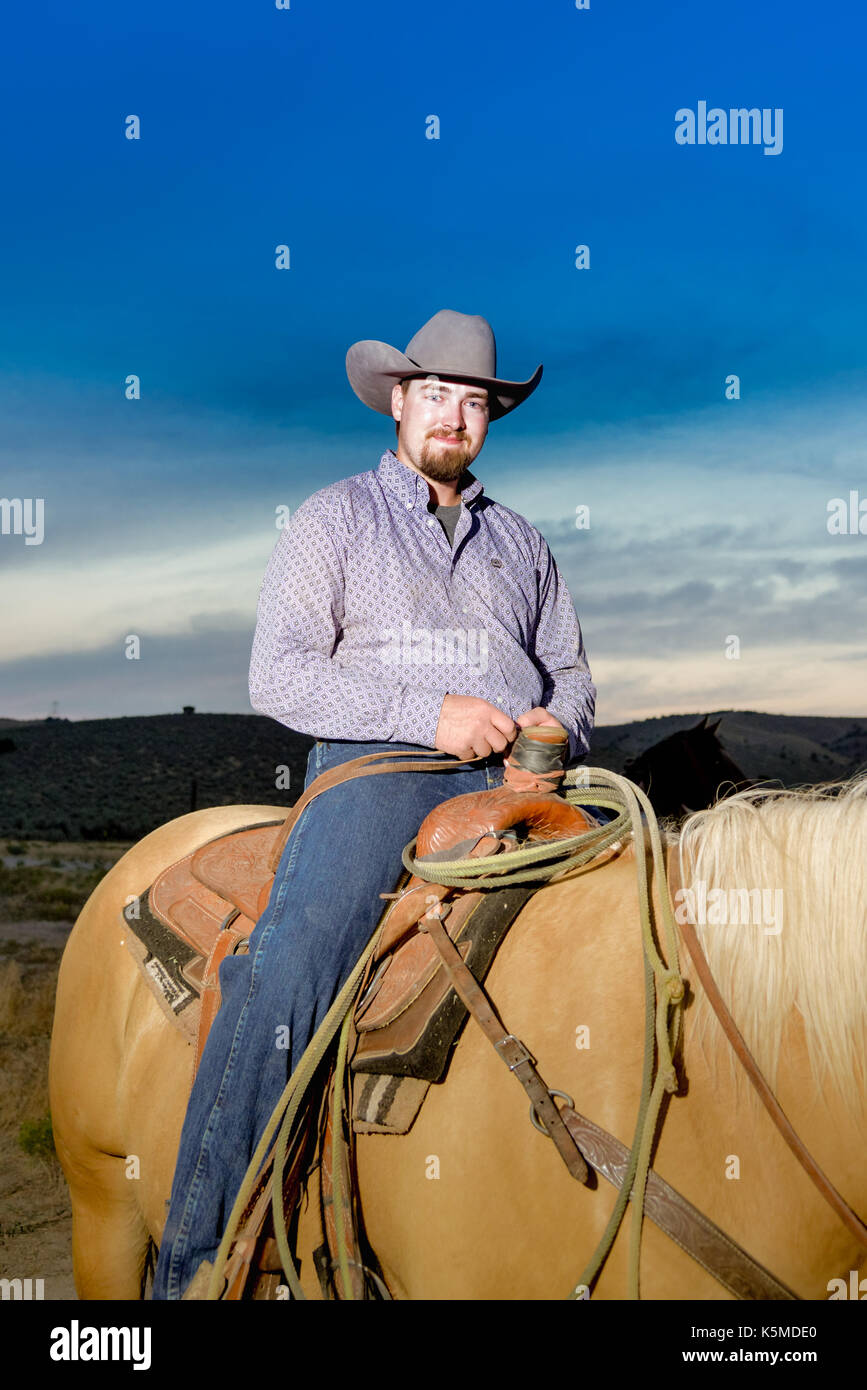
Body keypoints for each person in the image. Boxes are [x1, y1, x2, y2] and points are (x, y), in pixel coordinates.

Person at [153, 308, 597, 1299]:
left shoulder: (521, 542)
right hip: (379, 773)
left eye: (475, 401)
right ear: (399, 402)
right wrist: (427, 714)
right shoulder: (333, 518)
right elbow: (280, 676)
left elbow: (571, 673)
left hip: (524, 779)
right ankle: (195, 1268)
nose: (455, 414)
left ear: (490, 420)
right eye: (437, 394)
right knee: (294, 964)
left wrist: (555, 728)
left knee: (649, 893)